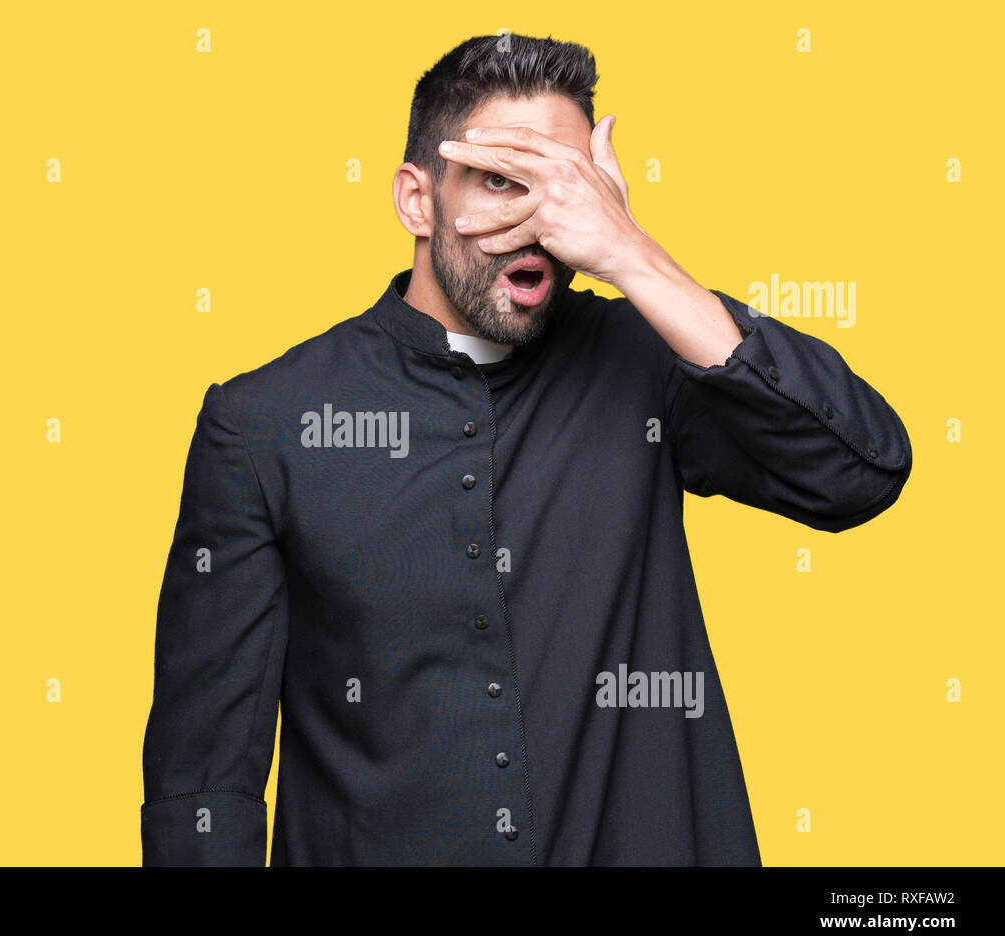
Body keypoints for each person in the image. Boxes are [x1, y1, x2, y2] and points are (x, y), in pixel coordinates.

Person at [141, 33, 912, 866]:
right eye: (502, 182)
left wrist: (633, 256)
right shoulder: (262, 422)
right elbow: (204, 779)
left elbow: (857, 472)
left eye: (566, 189)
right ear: (416, 199)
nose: (538, 223)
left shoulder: (652, 363)